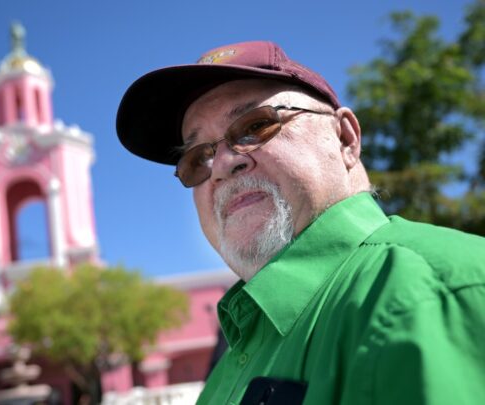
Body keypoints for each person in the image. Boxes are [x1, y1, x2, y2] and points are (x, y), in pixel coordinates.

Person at [116, 41, 485, 405]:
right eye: (199, 157)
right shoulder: (231, 364)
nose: (222, 166)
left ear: (345, 138)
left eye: (255, 126)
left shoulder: (435, 291)